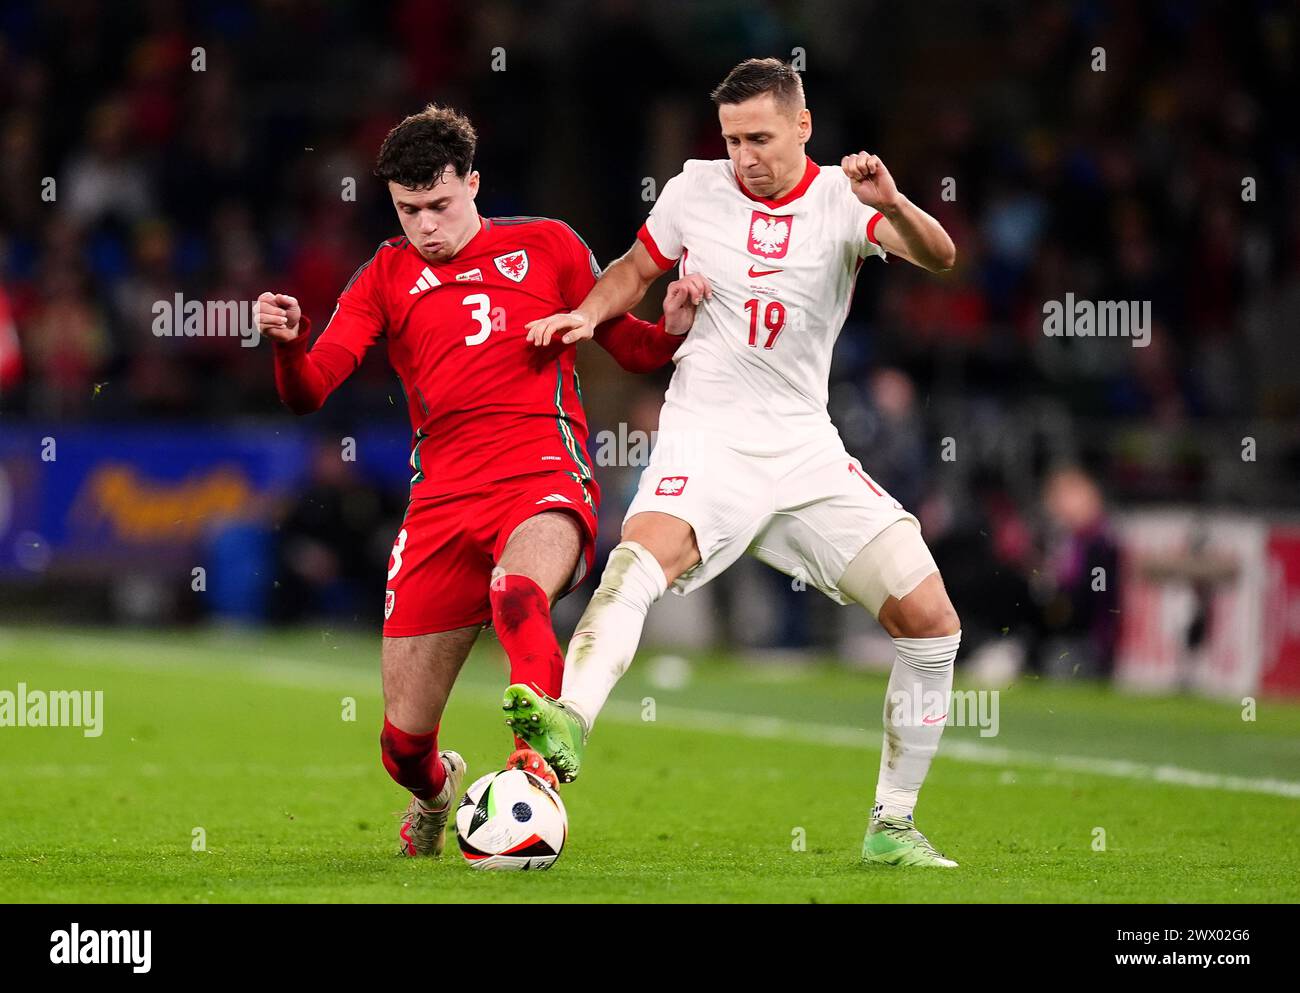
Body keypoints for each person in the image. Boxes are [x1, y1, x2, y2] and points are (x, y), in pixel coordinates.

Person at [512, 59, 963, 867]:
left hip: (804, 447)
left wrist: (892, 198)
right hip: (707, 433)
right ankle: (569, 719)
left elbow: (940, 256)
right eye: (730, 139)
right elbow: (634, 269)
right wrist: (586, 312)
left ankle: (891, 825)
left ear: (803, 127)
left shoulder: (842, 200)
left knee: (933, 623)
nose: (744, 155)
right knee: (635, 559)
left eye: (759, 137)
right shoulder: (694, 189)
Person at [254, 104, 701, 857]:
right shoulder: (385, 276)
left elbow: (630, 348)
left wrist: (675, 329)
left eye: (439, 204)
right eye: (408, 210)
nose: (426, 225)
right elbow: (311, 388)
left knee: (515, 592)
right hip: (440, 503)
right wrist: (291, 349)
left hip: (540, 473)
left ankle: (536, 770)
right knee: (401, 744)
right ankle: (436, 797)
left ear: (473, 183)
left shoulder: (549, 247)